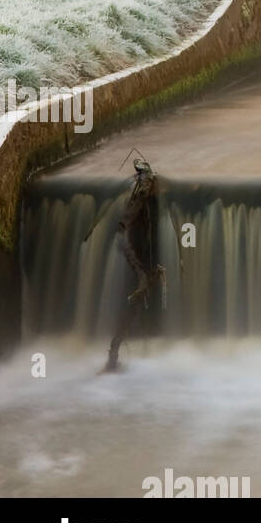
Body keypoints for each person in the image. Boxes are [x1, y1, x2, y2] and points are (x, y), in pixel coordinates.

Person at [103, 158, 166, 372]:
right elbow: (132, 212)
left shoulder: (143, 195)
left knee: (142, 291)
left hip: (138, 252)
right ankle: (115, 352)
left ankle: (116, 353)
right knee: (140, 291)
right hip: (133, 250)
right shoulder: (141, 198)